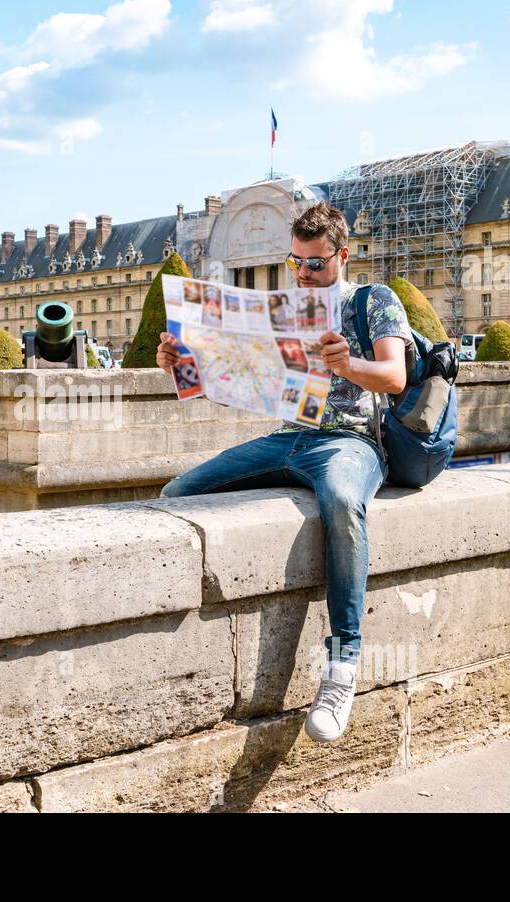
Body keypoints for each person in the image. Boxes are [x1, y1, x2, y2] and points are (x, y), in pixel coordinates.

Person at [155, 201, 414, 742]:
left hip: (351, 440)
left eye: (315, 264)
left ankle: (342, 665)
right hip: (288, 439)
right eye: (294, 262)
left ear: (343, 255)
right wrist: (184, 366)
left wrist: (348, 366)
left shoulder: (374, 301)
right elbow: (241, 387)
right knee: (178, 492)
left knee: (343, 503)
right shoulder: (285, 309)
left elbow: (393, 376)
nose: (302, 273)